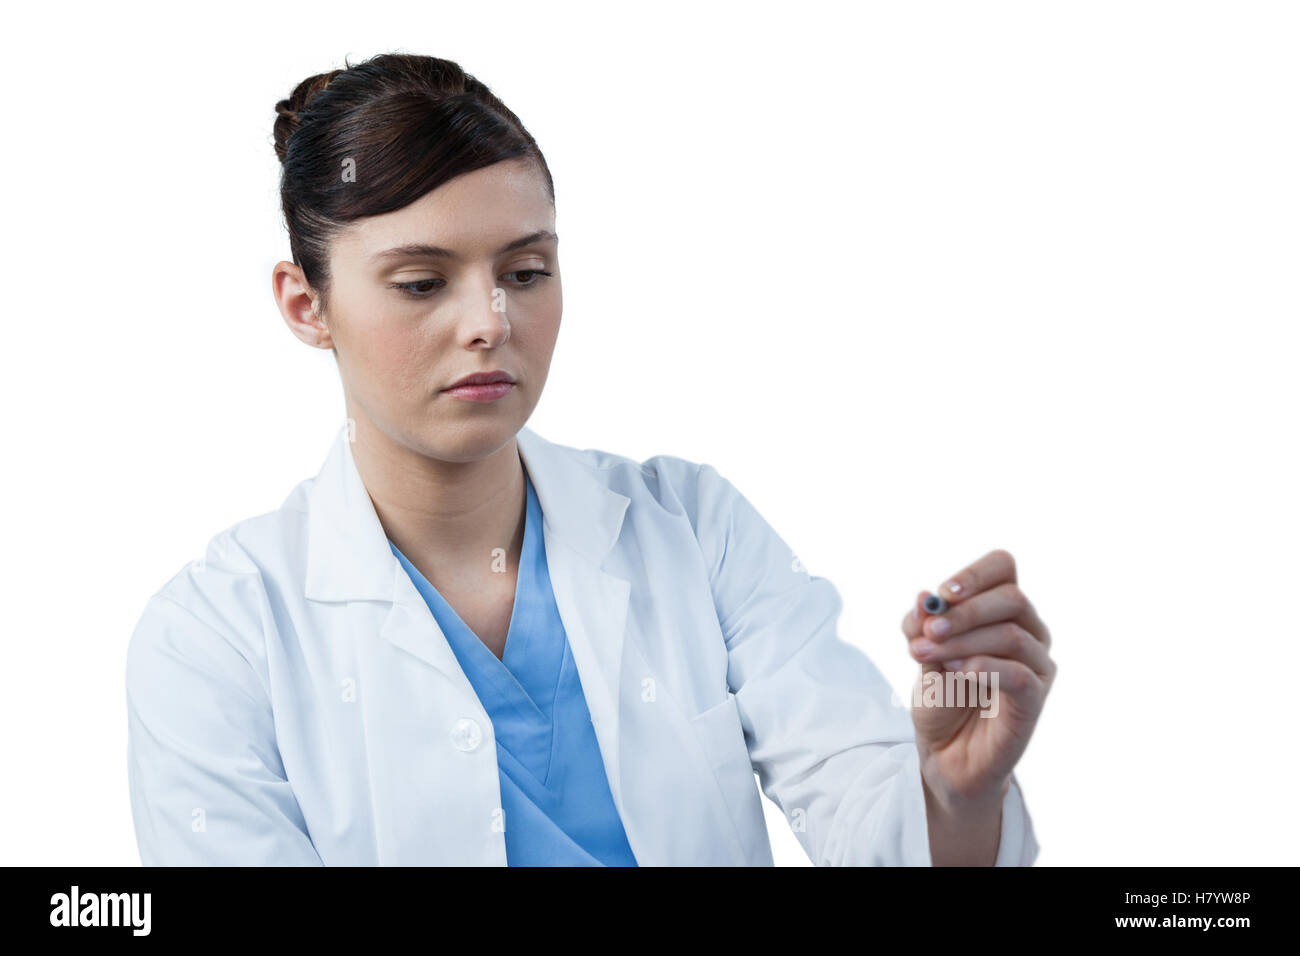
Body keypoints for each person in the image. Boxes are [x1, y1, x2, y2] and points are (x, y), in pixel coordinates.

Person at [125, 52, 1055, 866]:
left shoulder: (691, 529)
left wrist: (949, 795)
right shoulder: (214, 640)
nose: (490, 321)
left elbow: (872, 822)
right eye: (421, 283)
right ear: (305, 305)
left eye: (525, 273)